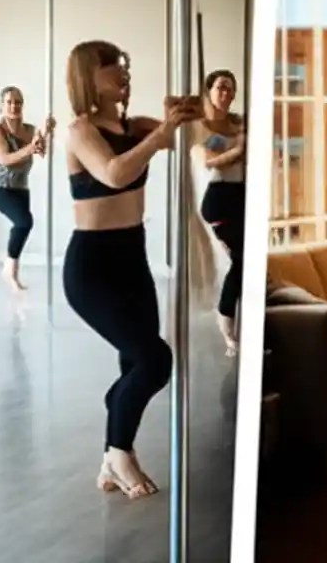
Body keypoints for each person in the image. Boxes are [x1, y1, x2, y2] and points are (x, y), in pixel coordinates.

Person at [64, 40, 201, 499]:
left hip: (132, 256)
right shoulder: (80, 130)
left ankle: (112, 457)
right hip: (91, 266)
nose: (122, 73)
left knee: (134, 362)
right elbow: (114, 173)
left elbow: (195, 141)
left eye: (124, 66)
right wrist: (157, 138)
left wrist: (182, 117)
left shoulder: (134, 124)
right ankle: (120, 450)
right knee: (154, 359)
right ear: (89, 75)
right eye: (111, 68)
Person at [195, 69, 245, 357]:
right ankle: (226, 322)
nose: (225, 93)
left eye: (230, 88)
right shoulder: (206, 128)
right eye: (220, 87)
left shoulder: (238, 123)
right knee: (241, 260)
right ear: (209, 91)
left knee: (246, 263)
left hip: (241, 196)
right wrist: (239, 148)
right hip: (219, 199)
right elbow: (210, 162)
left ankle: (234, 321)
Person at [0, 85, 55, 292]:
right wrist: (31, 148)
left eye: (17, 102)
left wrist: (47, 133)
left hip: (20, 186)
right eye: (9, 102)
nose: (14, 106)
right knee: (24, 221)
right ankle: (9, 268)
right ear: (2, 106)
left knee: (22, 225)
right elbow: (5, 159)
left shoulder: (31, 130)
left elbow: (41, 151)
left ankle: (12, 273)